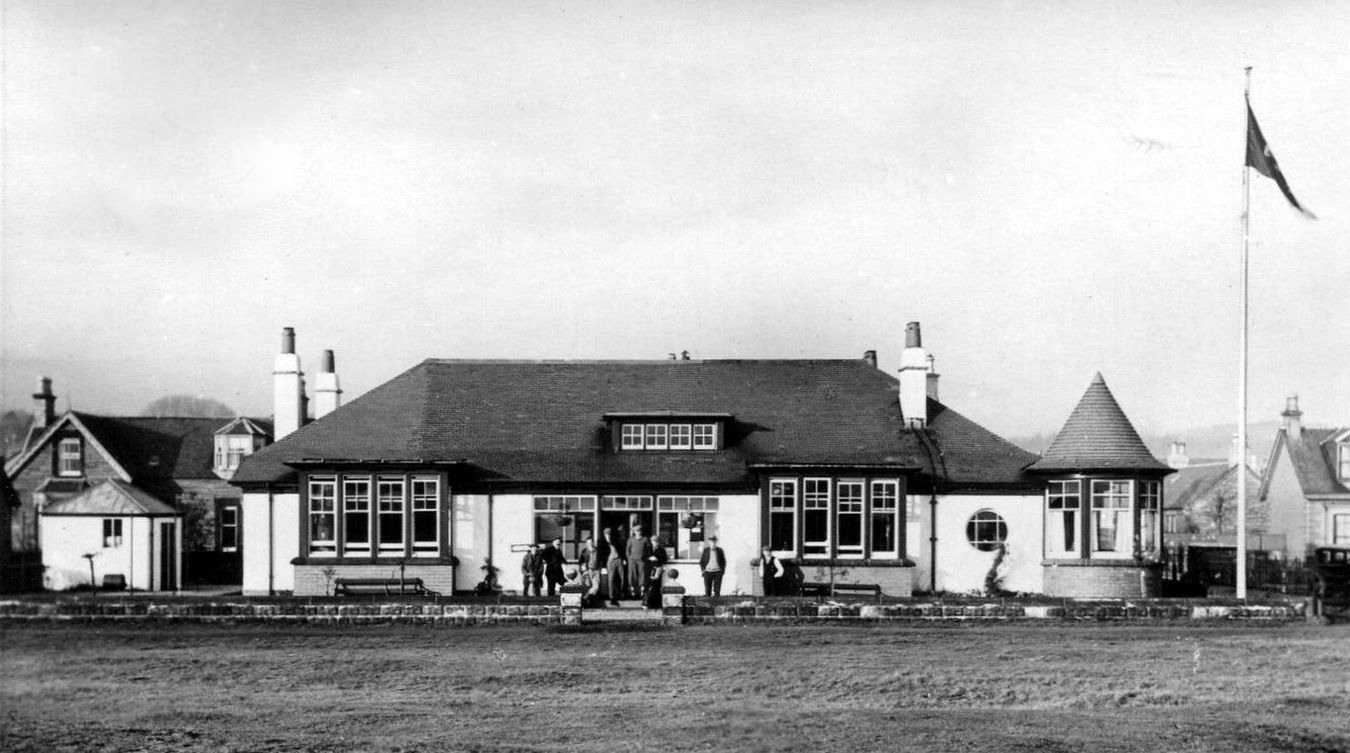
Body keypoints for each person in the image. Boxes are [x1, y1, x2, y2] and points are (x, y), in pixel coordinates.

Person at [580, 535, 608, 602]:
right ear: (586, 543)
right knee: (588, 586)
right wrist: (583, 569)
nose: (590, 544)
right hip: (588, 570)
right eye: (588, 543)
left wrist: (602, 568)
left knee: (596, 587)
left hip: (596, 570)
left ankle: (585, 597)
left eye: (591, 542)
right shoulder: (584, 551)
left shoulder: (597, 550)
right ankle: (587, 600)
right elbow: (581, 561)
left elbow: (601, 560)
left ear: (593, 543)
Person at [644, 535, 669, 609]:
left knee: (656, 587)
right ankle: (647, 603)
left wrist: (657, 559)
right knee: (648, 586)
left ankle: (656, 604)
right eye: (653, 541)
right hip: (649, 570)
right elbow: (643, 558)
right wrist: (649, 558)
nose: (654, 543)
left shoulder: (661, 549)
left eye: (656, 542)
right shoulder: (648, 549)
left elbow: (664, 559)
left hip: (657, 570)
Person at [625, 526, 650, 599]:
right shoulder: (631, 540)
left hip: (642, 560)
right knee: (632, 575)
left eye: (639, 531)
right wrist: (629, 558)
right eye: (636, 531)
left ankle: (641, 592)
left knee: (642, 575)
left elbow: (648, 549)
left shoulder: (645, 539)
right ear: (634, 532)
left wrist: (646, 558)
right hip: (632, 560)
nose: (638, 532)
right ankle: (632, 592)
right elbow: (627, 550)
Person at [604, 527, 626, 606]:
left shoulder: (617, 540)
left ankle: (621, 594)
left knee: (622, 578)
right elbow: (602, 553)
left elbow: (622, 550)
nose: (607, 535)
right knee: (611, 579)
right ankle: (612, 597)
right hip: (610, 561)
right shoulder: (603, 542)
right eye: (606, 534)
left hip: (619, 559)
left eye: (609, 534)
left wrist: (623, 558)